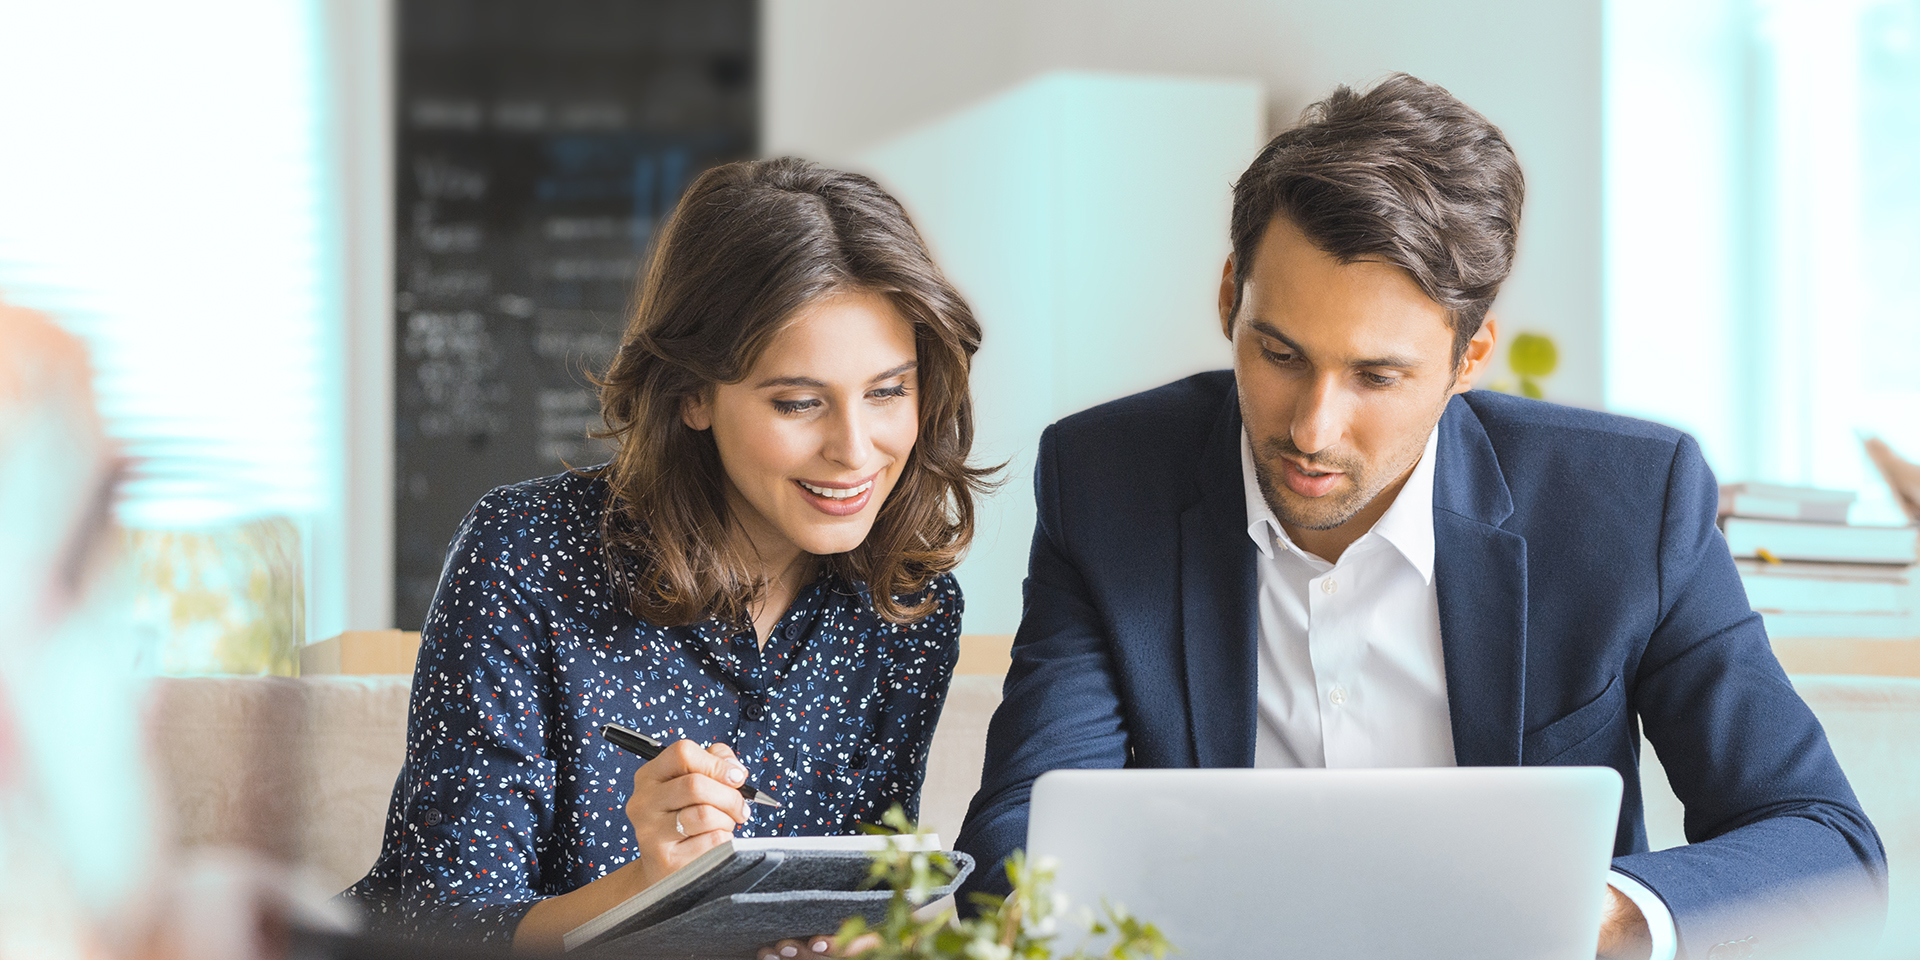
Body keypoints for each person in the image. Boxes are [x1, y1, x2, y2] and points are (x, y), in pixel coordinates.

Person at [955, 75, 1884, 960]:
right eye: (1279, 353)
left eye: (1377, 376)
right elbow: (1016, 835)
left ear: (1469, 354)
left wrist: (1592, 915)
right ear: (1229, 293)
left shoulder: (1630, 503)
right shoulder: (1107, 477)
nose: (1312, 427)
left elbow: (1823, 840)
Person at [344, 158, 994, 952]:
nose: (856, 451)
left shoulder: (909, 609)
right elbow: (437, 927)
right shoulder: (523, 556)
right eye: (798, 402)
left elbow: (849, 902)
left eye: (889, 391)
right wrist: (654, 888)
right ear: (691, 395)